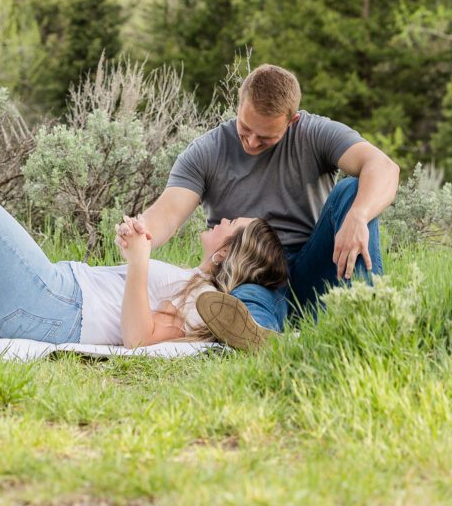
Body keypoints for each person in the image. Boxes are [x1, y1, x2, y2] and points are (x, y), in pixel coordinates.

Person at [117, 63, 400, 351]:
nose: (251, 142)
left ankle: (368, 322)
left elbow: (383, 167)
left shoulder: (315, 134)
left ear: (292, 121)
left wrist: (359, 216)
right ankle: (262, 336)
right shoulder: (206, 152)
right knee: (246, 298)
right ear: (239, 107)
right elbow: (167, 213)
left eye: (265, 138)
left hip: (311, 267)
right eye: (245, 129)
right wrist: (141, 233)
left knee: (352, 190)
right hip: (250, 269)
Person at [0, 181, 287, 348]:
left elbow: (138, 338)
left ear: (227, 252)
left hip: (57, 310)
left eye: (231, 224)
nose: (222, 218)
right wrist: (134, 256)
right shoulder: (194, 282)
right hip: (56, 297)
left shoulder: (204, 299)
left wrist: (140, 263)